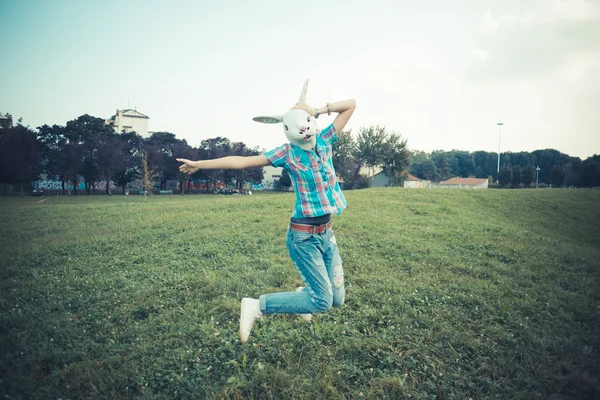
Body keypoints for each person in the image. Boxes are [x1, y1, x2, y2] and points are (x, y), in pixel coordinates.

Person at [177, 87, 356, 343]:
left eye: (307, 122)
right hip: (303, 237)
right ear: (286, 129)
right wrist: (200, 164)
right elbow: (241, 161)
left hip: (327, 234)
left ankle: (303, 296)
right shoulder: (287, 153)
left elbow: (351, 105)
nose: (304, 129)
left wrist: (316, 110)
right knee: (323, 301)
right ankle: (256, 306)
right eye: (297, 125)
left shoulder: (326, 140)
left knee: (337, 299)